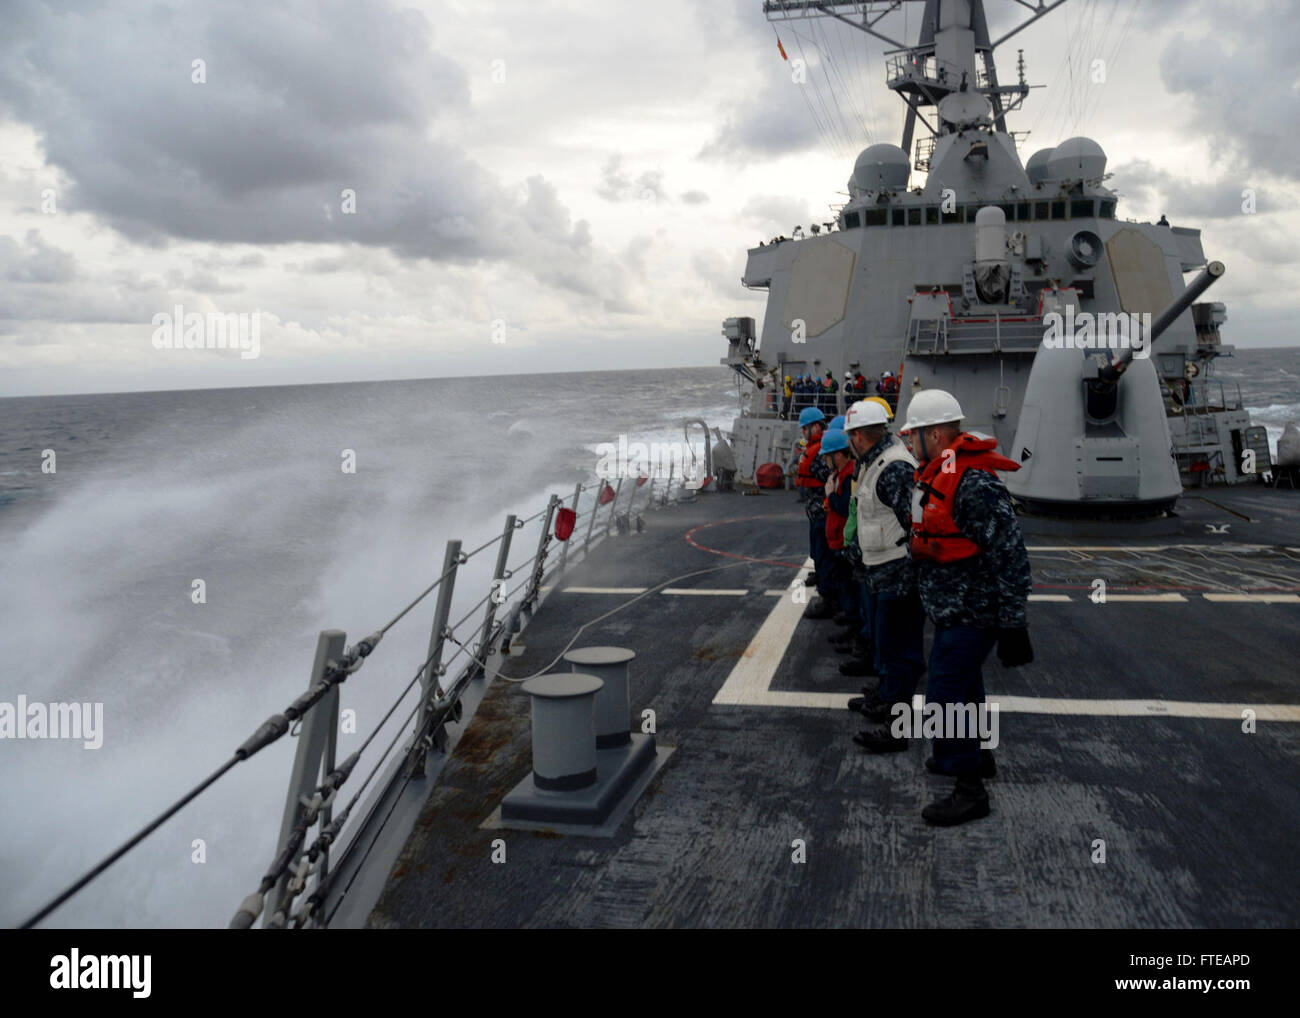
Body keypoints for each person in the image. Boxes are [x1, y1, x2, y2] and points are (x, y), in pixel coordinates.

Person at [896, 389, 1033, 826]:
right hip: (953, 611)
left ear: (934, 435)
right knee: (967, 687)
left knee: (944, 695)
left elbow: (1010, 554)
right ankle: (980, 756)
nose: (909, 444)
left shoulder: (973, 484)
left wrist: (1013, 624)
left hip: (973, 613)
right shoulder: (937, 474)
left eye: (913, 435)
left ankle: (969, 790)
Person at [841, 399, 926, 747]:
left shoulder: (893, 467)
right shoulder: (876, 462)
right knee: (887, 645)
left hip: (898, 575)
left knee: (901, 650)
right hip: (881, 572)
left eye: (851, 435)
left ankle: (898, 727)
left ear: (860, 436)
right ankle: (887, 697)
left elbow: (914, 524)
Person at [794, 407, 836, 617]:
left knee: (824, 550)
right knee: (817, 548)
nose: (804, 432)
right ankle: (821, 574)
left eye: (806, 428)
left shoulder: (821, 451)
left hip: (822, 508)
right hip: (814, 507)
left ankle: (827, 596)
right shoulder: (813, 448)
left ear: (817, 426)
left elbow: (825, 475)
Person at [819, 429, 861, 630]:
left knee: (850, 587)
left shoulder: (848, 476)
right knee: (845, 586)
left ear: (837, 455)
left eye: (827, 455)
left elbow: (845, 507)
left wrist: (831, 496)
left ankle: (854, 631)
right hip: (837, 539)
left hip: (845, 541)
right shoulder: (840, 474)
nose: (825, 460)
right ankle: (851, 624)